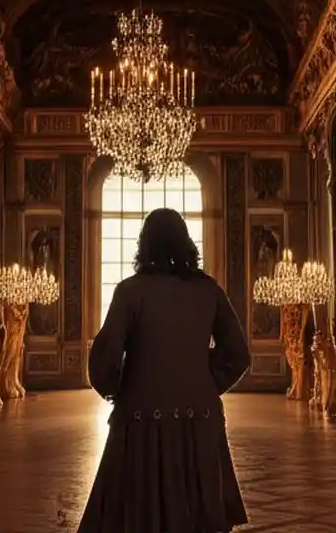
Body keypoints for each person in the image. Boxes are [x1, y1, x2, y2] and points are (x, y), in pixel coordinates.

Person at [80, 208, 251, 533]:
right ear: (186, 243)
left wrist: (117, 387)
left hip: (141, 413)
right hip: (200, 413)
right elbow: (238, 354)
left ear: (144, 245)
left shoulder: (131, 291)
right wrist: (204, 378)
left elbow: (107, 355)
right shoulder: (208, 290)